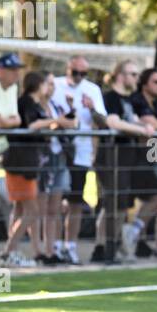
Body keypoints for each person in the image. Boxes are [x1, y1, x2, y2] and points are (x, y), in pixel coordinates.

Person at [94, 60, 155, 263]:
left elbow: (135, 120)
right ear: (121, 75)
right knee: (112, 204)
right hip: (111, 156)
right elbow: (113, 122)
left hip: (128, 156)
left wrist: (145, 127)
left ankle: (112, 244)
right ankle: (104, 246)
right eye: (133, 74)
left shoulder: (130, 100)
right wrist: (141, 129)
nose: (137, 79)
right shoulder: (110, 97)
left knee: (121, 205)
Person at [49, 55, 107, 264]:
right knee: (54, 201)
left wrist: (91, 107)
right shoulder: (53, 84)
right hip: (56, 151)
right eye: (76, 72)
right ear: (68, 68)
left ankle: (70, 246)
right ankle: (53, 246)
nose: (80, 77)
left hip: (80, 153)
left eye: (84, 73)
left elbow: (103, 122)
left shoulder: (92, 90)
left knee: (75, 201)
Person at [0, 70, 51, 267]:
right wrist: (56, 122)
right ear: (38, 84)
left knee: (21, 209)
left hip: (28, 163)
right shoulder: (25, 102)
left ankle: (11, 251)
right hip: (20, 162)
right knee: (31, 210)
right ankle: (8, 251)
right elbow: (32, 125)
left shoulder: (36, 104)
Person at [125, 68, 157, 257]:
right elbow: (156, 127)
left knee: (152, 196)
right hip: (135, 155)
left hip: (152, 152)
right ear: (145, 83)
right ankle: (132, 233)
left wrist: (155, 127)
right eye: (155, 82)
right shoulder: (136, 100)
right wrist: (154, 127)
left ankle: (135, 235)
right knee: (156, 194)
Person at [36, 72, 77, 264]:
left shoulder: (56, 106)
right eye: (48, 84)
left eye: (53, 84)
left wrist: (70, 109)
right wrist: (57, 122)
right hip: (42, 160)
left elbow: (72, 124)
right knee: (38, 208)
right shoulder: (35, 106)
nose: (51, 88)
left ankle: (52, 250)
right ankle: (39, 251)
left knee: (55, 208)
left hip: (59, 158)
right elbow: (40, 128)